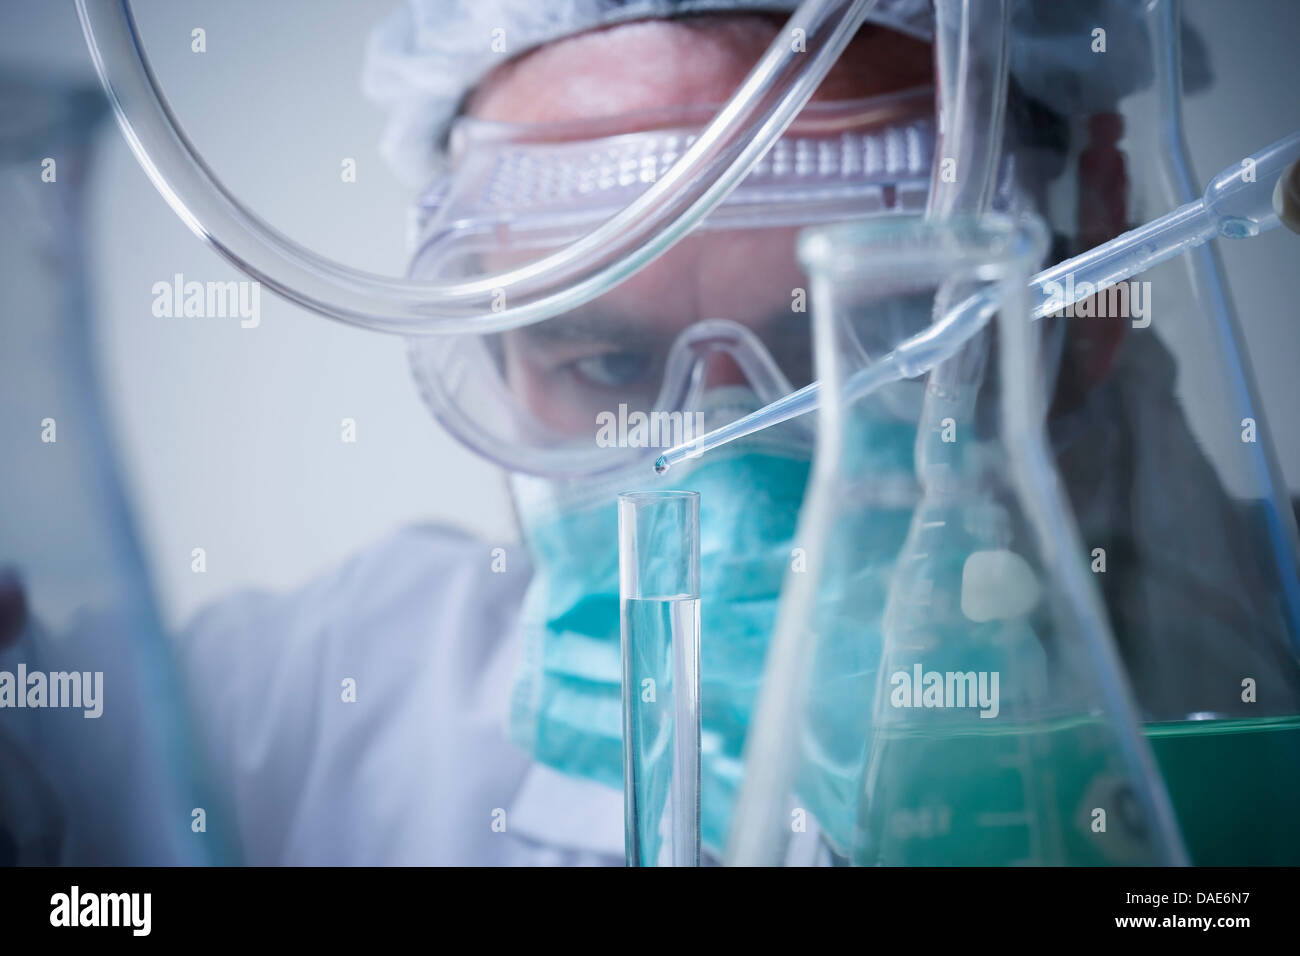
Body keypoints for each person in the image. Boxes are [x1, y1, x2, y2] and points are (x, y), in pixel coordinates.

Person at [171, 0, 1299, 865]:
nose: (721, 470)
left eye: (858, 343)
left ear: (1092, 250)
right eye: (608, 362)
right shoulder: (293, 711)